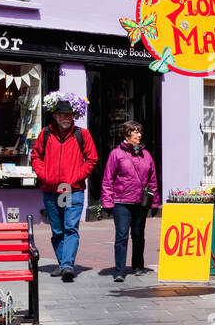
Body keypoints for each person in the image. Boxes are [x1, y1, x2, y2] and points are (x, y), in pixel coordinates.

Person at [30, 99, 98, 282]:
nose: (67, 118)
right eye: (63, 115)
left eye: (70, 115)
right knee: (58, 229)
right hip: (52, 189)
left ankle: (67, 265)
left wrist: (76, 176)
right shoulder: (45, 134)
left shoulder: (81, 134)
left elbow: (92, 159)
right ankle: (63, 264)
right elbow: (35, 156)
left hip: (71, 189)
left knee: (70, 227)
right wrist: (45, 175)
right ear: (55, 116)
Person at [101, 120, 159, 282]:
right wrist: (107, 202)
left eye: (140, 132)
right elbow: (108, 179)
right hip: (121, 201)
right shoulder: (116, 154)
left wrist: (154, 202)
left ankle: (138, 265)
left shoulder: (146, 155)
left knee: (139, 235)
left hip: (141, 202)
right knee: (121, 236)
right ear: (127, 135)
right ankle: (119, 270)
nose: (139, 135)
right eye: (135, 132)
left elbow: (152, 180)